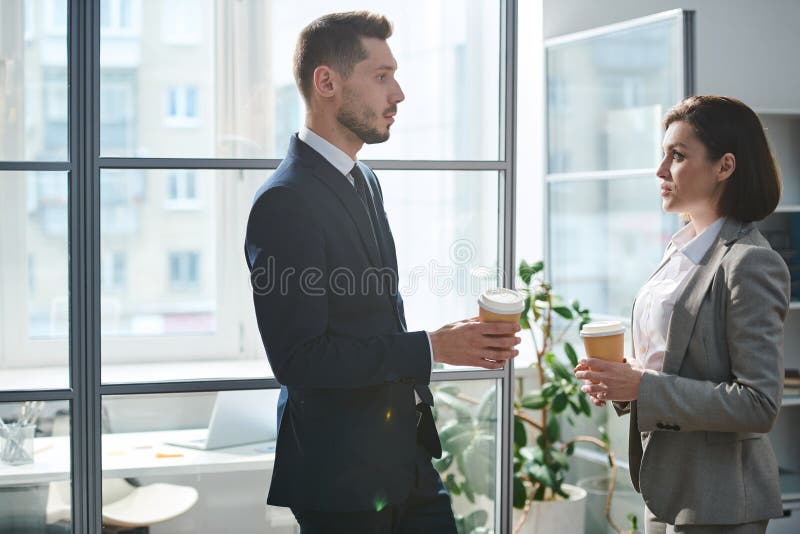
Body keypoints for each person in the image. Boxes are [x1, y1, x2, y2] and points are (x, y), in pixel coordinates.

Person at [244, 11, 520, 534]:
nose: (398, 93)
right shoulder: (284, 201)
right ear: (327, 82)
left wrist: (448, 339)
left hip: (404, 459)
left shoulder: (364, 179)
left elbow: (372, 320)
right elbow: (299, 359)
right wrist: (433, 348)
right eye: (381, 76)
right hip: (341, 479)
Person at [574, 95, 789, 534]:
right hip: (666, 487)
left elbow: (759, 404)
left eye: (677, 156)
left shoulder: (750, 262)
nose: (660, 170)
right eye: (663, 154)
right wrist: (624, 382)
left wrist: (643, 386)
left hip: (720, 500)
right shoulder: (680, 250)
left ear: (724, 166)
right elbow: (671, 366)